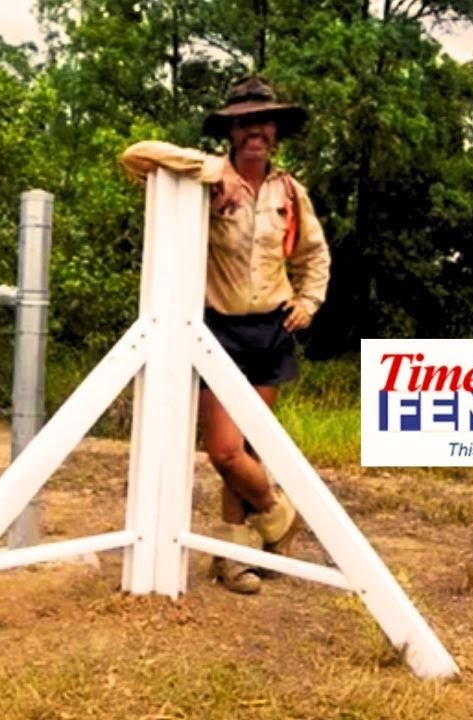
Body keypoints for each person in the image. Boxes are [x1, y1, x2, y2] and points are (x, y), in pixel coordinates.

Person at [120, 77, 331, 594]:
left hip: (273, 328)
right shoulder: (206, 177)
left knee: (249, 449)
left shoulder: (289, 192)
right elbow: (135, 156)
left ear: (275, 130)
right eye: (243, 122)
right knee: (223, 450)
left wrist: (308, 301)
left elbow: (313, 255)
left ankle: (232, 559)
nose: (254, 130)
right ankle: (277, 512)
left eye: (263, 120)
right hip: (220, 329)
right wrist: (215, 171)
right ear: (231, 130)